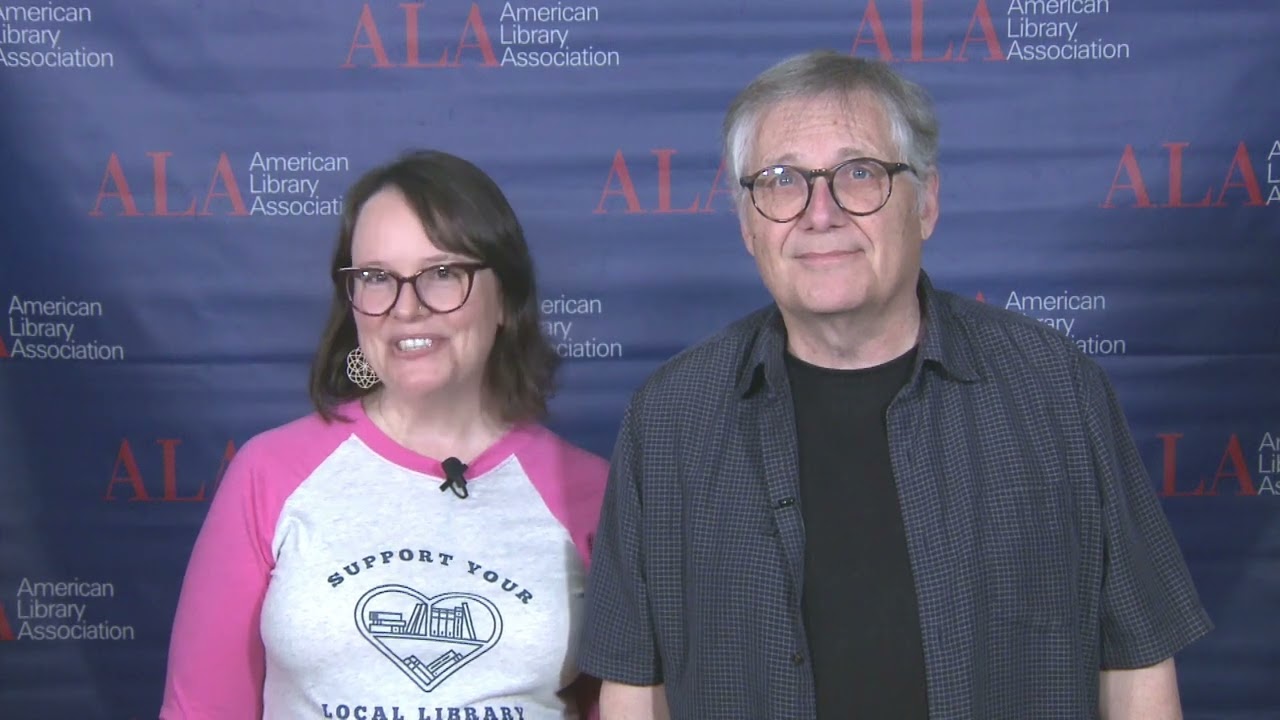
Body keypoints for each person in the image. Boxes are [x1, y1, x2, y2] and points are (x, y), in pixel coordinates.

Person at [577, 50, 1213, 719]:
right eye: (783, 181)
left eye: (859, 174)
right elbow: (633, 687)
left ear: (927, 203)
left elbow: (1139, 662)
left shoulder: (1056, 389)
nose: (820, 214)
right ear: (747, 223)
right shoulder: (671, 419)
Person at [160, 150, 608, 719]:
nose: (407, 308)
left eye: (444, 274)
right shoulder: (268, 473)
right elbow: (202, 707)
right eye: (376, 278)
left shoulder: (590, 490)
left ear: (506, 299)